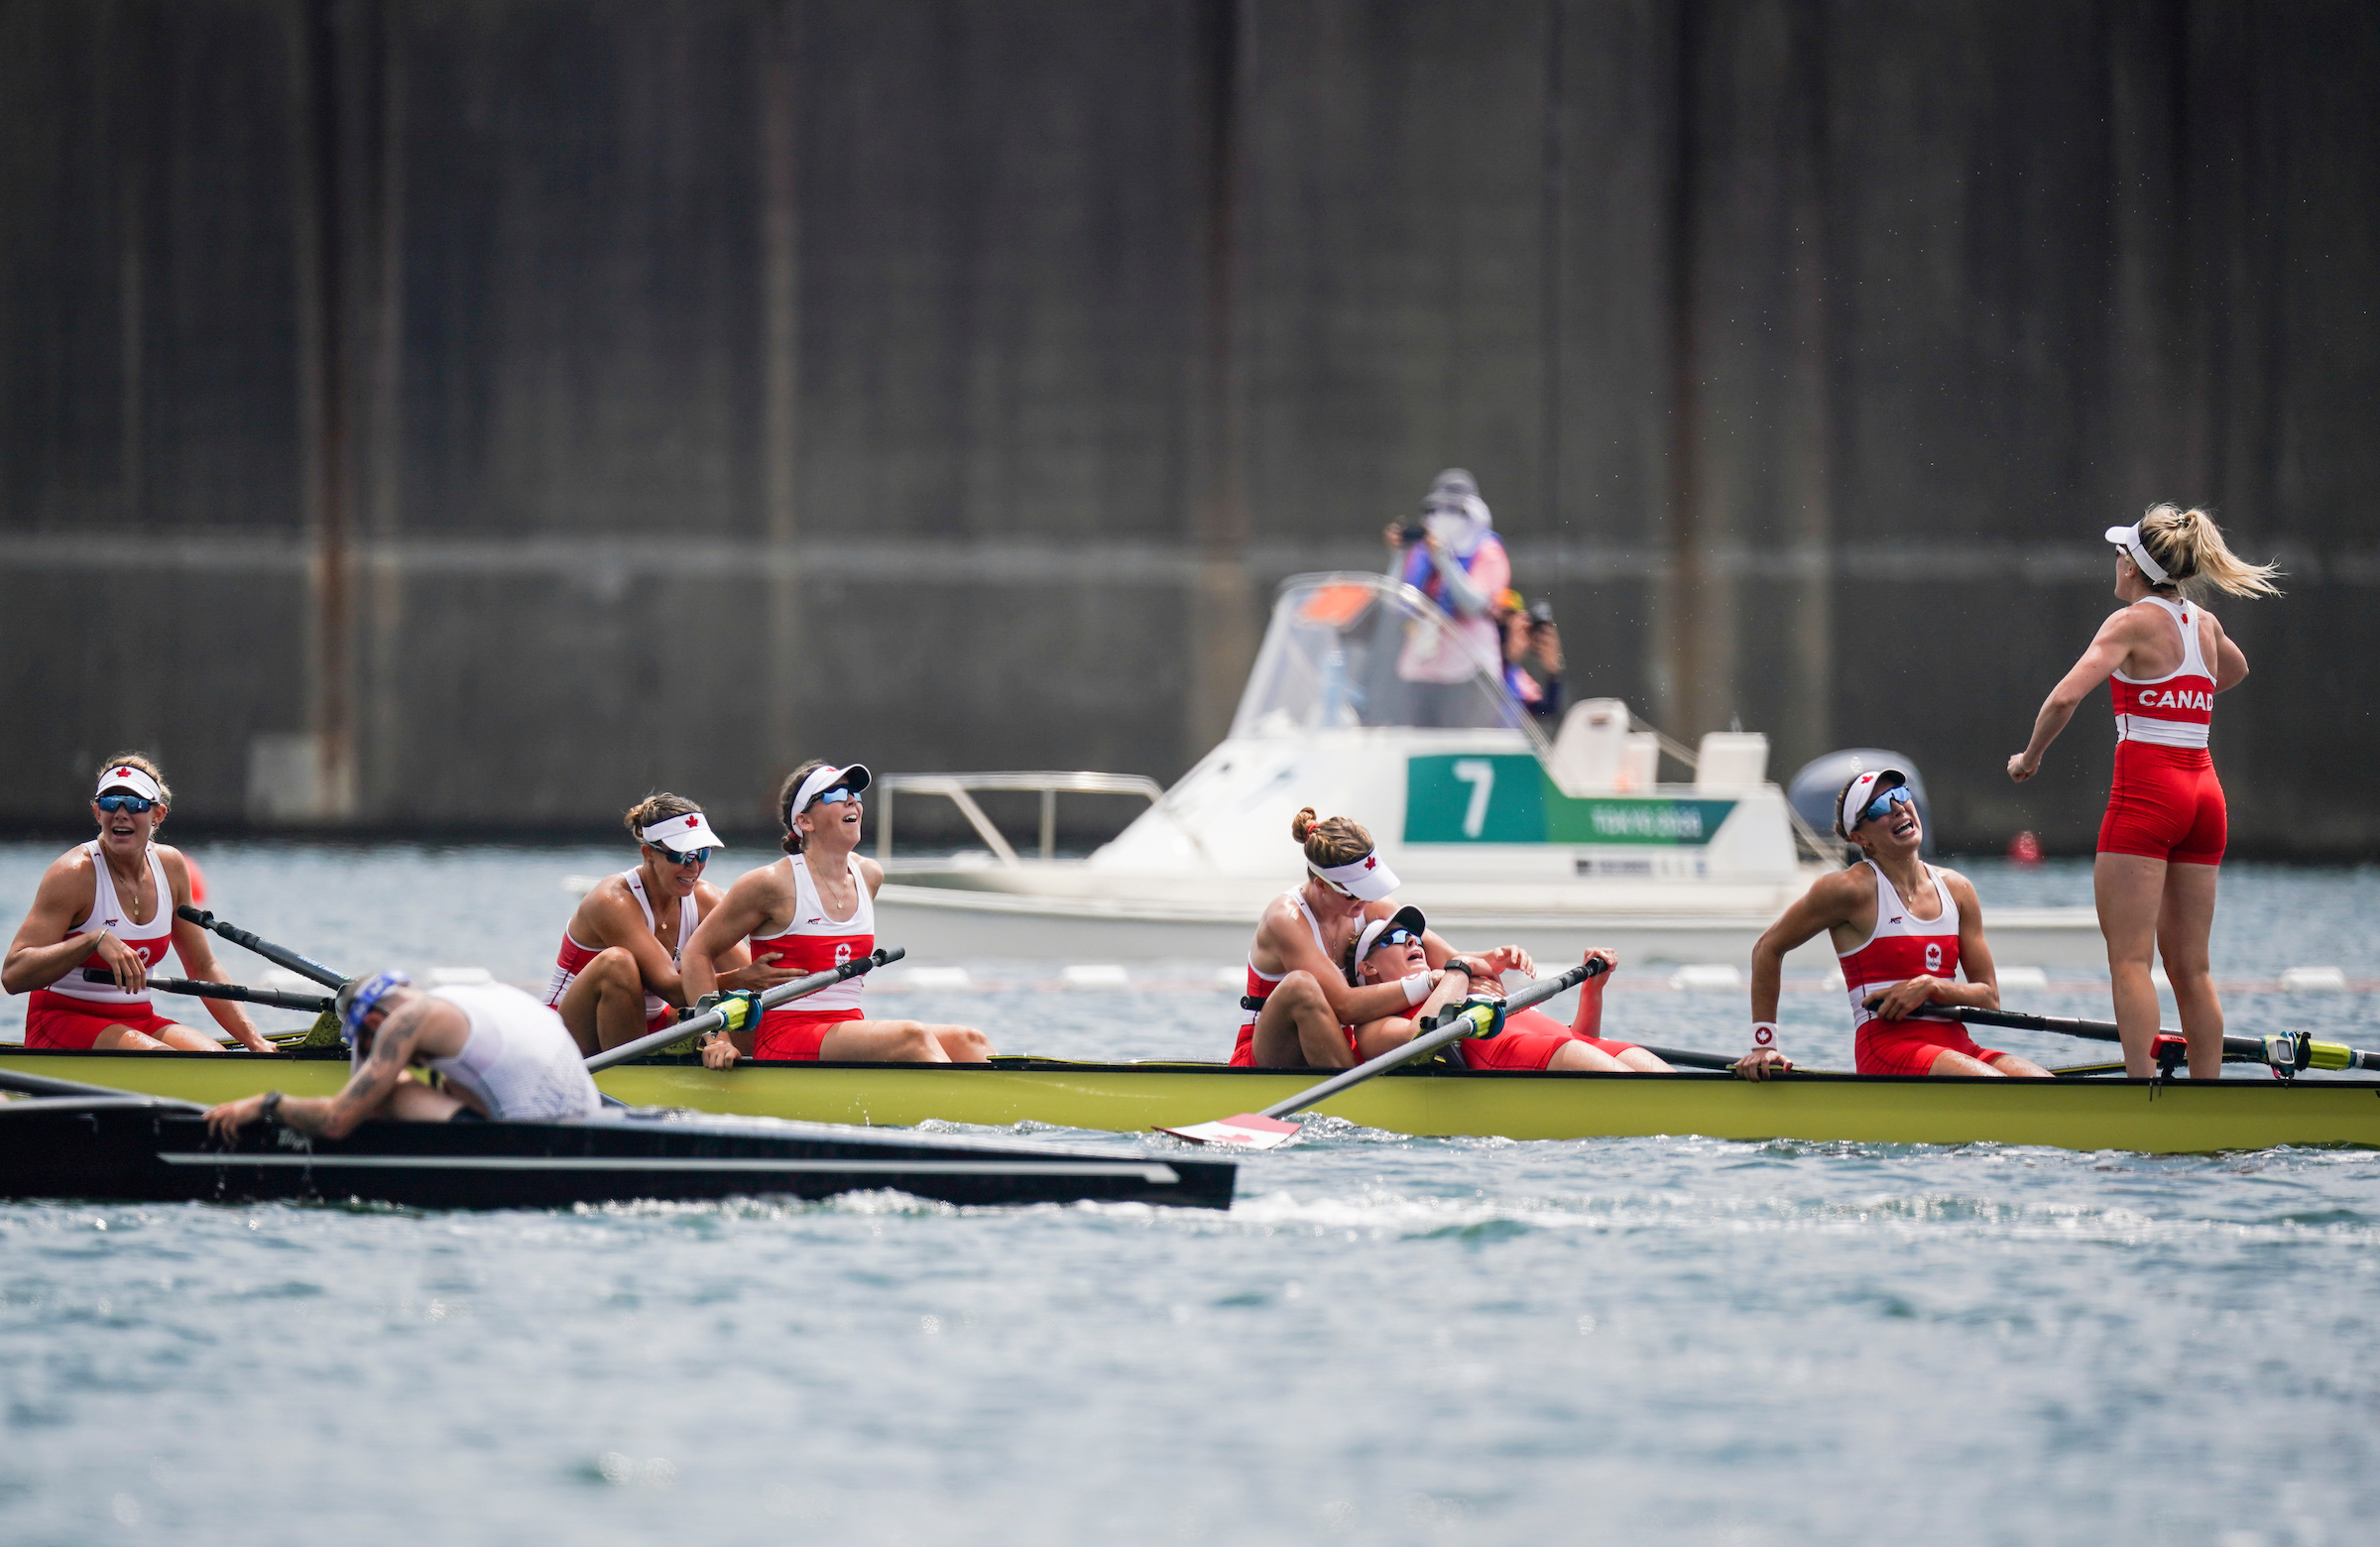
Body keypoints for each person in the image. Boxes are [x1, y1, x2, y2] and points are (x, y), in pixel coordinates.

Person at [2007, 504, 2279, 1078]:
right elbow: (2234, 670)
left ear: (2133, 566)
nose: (2114, 560)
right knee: (2193, 970)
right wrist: (2180, 695)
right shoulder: (2205, 625)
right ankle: (2209, 1092)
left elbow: (2063, 698)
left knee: (2130, 961)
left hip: (2148, 796)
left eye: (2118, 552)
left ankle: (2142, 1091)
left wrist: (2028, 758)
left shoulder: (2129, 624)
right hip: (2206, 796)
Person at [1744, 770, 2052, 1080]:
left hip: (1959, 1047)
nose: (1897, 808)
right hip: (1888, 1051)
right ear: (1859, 838)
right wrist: (1763, 1045)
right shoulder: (1849, 890)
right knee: (2001, 1088)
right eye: (1879, 808)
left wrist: (1931, 986)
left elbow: (1989, 998)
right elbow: (1767, 948)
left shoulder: (1959, 890)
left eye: (1900, 795)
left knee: (2047, 1088)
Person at [681, 762, 994, 1065]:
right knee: (913, 1036)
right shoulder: (770, 884)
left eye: (854, 795)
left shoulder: (869, 875)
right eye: (833, 795)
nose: (851, 800)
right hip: (787, 1035)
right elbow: (698, 951)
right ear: (804, 822)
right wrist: (716, 1038)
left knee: (971, 1040)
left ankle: (996, 1112)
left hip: (845, 1028)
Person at [3, 756, 276, 1053]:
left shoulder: (170, 867)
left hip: (137, 1019)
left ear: (158, 814)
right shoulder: (74, 874)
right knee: (165, 1060)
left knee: (217, 1058)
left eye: (134, 804)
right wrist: (92, 941)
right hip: (61, 1021)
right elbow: (13, 975)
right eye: (110, 803)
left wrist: (256, 1042)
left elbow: (202, 966)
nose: (121, 814)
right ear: (97, 812)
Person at [1234, 807, 1534, 1069]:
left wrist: (1490, 960)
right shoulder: (1286, 919)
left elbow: (1448, 959)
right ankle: (1357, 1099)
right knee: (1301, 985)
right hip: (1272, 1049)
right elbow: (1345, 1006)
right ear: (1320, 885)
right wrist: (1431, 981)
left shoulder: (1369, 906)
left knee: (1462, 977)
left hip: (1338, 1045)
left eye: (1370, 888)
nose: (1365, 902)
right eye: (1354, 892)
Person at [204, 970, 604, 1138]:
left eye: (368, 1043)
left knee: (391, 1090)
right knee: (447, 1081)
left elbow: (336, 1123)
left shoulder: (406, 1021)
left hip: (535, 1137)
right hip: (590, 1119)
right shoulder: (481, 994)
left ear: (375, 1025)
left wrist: (267, 1104)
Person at [543, 792, 794, 1055]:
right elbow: (673, 990)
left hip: (648, 1028)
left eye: (702, 853)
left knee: (754, 1004)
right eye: (682, 856)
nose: (694, 866)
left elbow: (756, 974)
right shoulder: (612, 901)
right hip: (570, 1035)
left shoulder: (704, 899)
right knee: (617, 963)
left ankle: (771, 1064)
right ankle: (633, 1081)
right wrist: (743, 979)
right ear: (648, 853)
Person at [1343, 906, 1669, 1071]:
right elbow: (1420, 1036)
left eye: (1414, 937)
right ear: (1367, 967)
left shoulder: (1459, 983)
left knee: (1663, 1079)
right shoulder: (1372, 1026)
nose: (1413, 940)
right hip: (1518, 1057)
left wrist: (1593, 992)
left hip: (1566, 1045)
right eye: (1397, 938)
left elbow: (1577, 1038)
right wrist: (1460, 967)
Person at [1382, 468, 1513, 726]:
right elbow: (1392, 602)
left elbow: (1475, 604)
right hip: (1421, 670)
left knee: (1461, 747)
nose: (1442, 518)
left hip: (1467, 673)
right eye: (1435, 510)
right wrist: (1398, 555)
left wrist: (1444, 560)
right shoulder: (1420, 552)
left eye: (1453, 511)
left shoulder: (1488, 551)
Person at [1496, 592, 1565, 722]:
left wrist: (1553, 672)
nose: (1505, 626)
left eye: (1511, 617)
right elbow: (1482, 695)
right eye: (1500, 619)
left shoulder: (1517, 677)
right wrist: (1508, 658)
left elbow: (1547, 710)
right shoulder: (1470, 654)